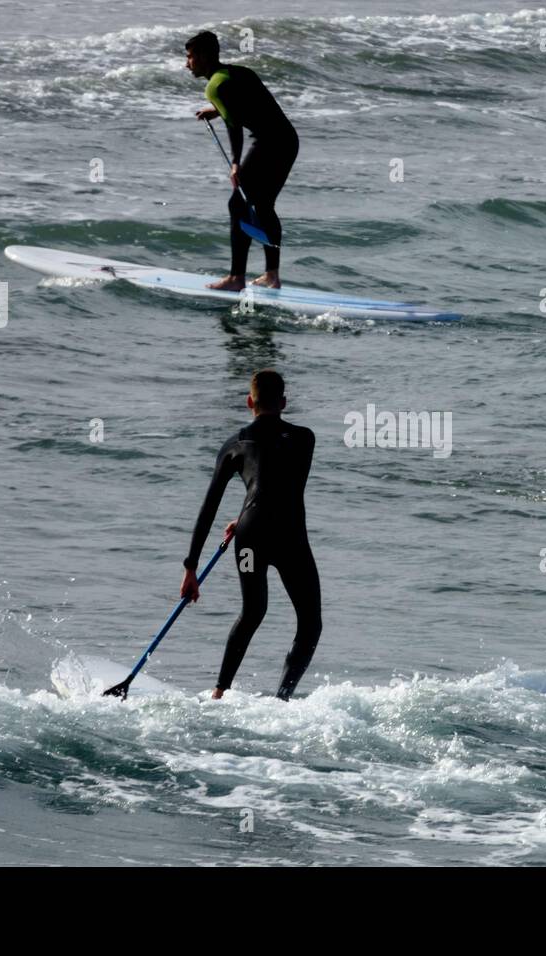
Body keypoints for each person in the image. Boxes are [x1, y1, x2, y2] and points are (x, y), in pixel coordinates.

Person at [181, 369, 321, 700]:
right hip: (290, 542)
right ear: (284, 402)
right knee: (310, 623)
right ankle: (282, 697)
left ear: (249, 402)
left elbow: (209, 507)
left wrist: (191, 567)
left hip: (250, 541)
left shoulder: (233, 445)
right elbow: (280, 483)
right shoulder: (304, 439)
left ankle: (219, 691)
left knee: (253, 612)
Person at [185, 31, 299, 292]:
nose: (187, 63)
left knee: (238, 204)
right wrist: (216, 109)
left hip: (269, 144)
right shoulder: (239, 73)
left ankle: (236, 278)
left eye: (190, 57)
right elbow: (253, 103)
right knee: (264, 206)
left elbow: (234, 126)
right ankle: (272, 275)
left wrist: (235, 164)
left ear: (202, 57)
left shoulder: (215, 86)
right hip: (288, 141)